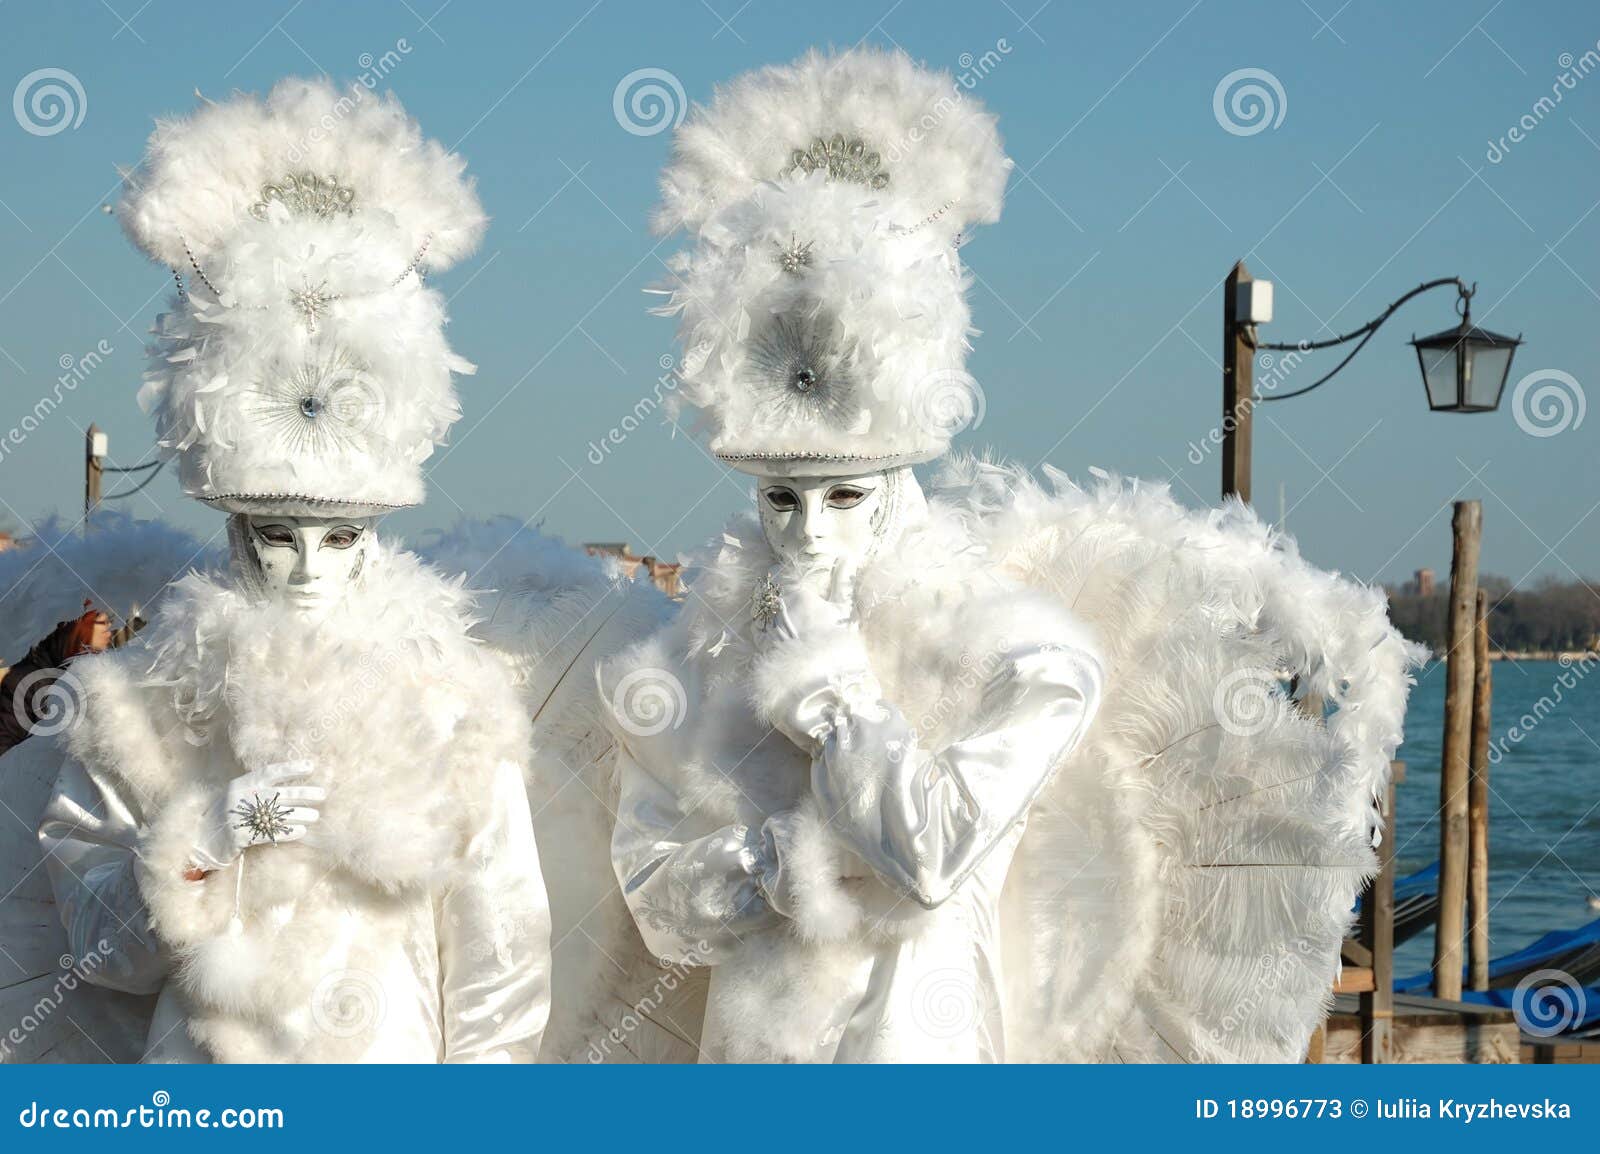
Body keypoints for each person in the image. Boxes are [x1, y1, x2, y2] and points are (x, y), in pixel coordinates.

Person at [594, 48, 1420, 1063]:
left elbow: (929, 855)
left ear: (900, 475)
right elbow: (657, 904)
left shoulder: (1026, 653)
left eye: (845, 494)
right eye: (779, 496)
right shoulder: (693, 660)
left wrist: (837, 697)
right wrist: (776, 860)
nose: (809, 532)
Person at [35, 78, 550, 1063]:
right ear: (233, 525)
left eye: (339, 535)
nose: (309, 564)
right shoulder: (138, 704)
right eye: (277, 532)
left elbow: (503, 960)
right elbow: (99, 950)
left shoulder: (452, 700)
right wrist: (204, 839)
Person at [1, 605, 111, 756]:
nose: (109, 626)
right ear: (77, 631)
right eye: (100, 622)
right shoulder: (33, 680)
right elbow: (6, 751)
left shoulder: (57, 673)